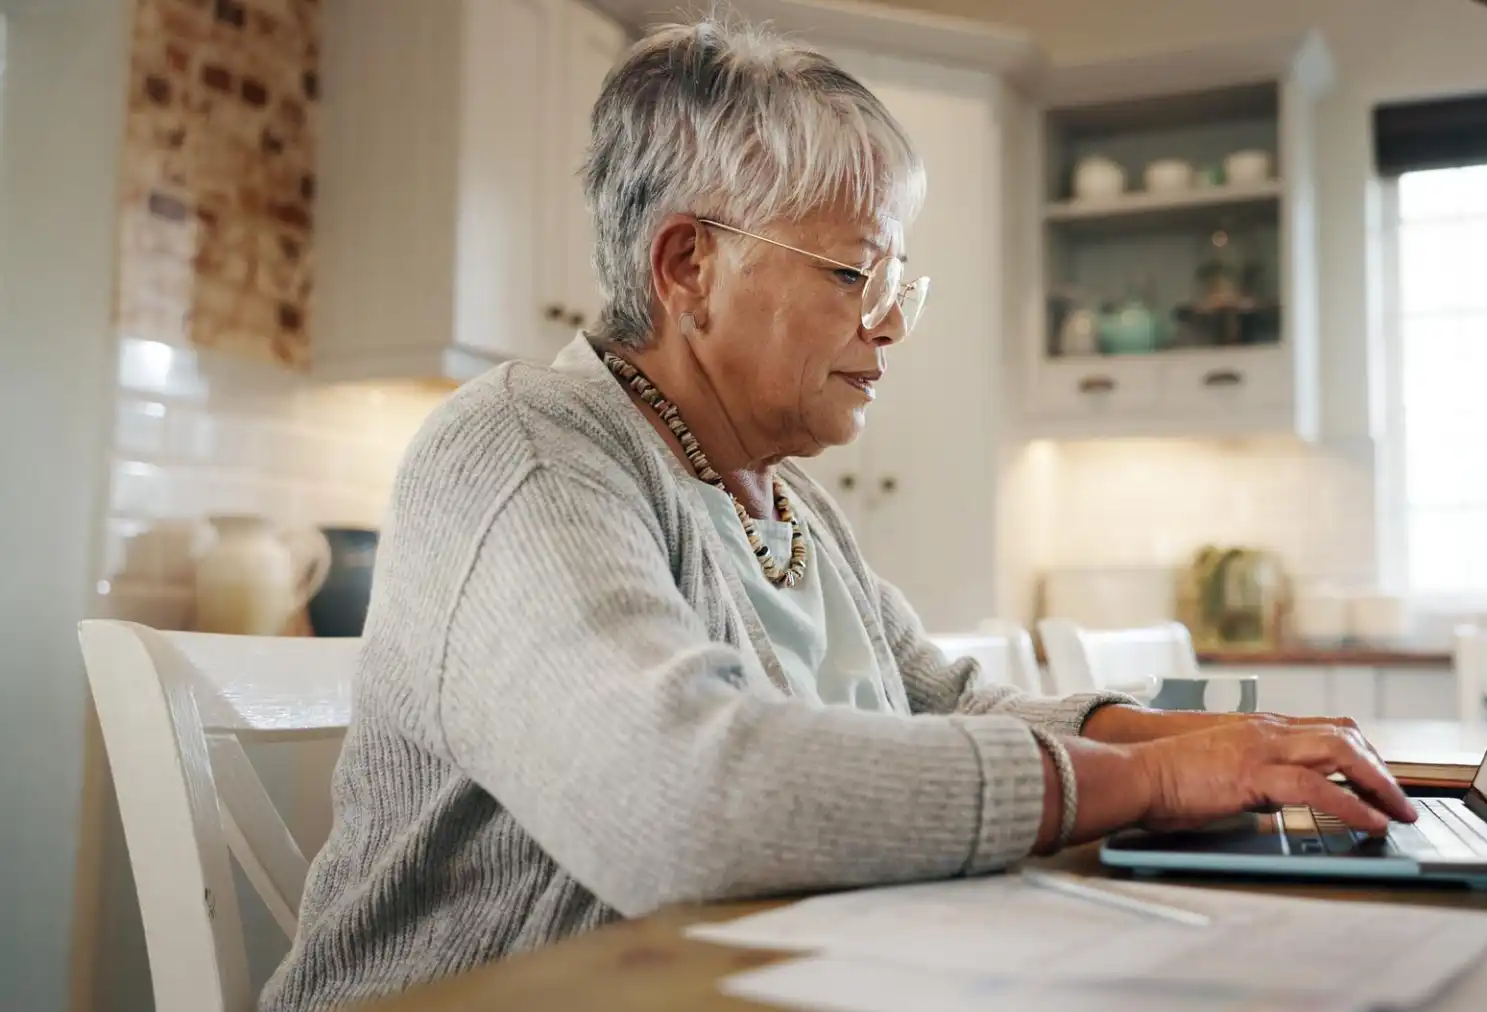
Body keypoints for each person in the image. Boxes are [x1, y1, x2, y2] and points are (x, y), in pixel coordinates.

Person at [260, 17, 1414, 1011]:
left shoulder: (787, 496)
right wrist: (1158, 784)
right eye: (855, 276)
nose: (892, 323)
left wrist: (1228, 749)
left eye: (895, 281)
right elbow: (684, 798)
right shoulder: (527, 450)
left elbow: (949, 703)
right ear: (687, 266)